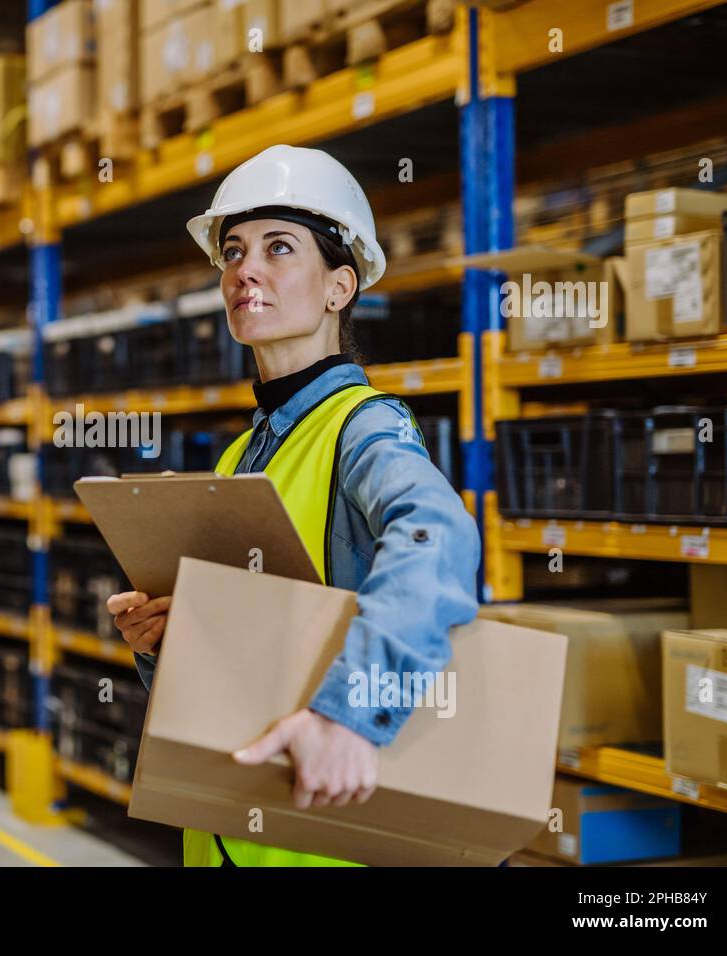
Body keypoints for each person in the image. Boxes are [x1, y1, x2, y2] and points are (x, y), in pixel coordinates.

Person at [105, 144, 480, 867]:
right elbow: (244, 649)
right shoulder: (237, 458)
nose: (246, 270)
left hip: (324, 837)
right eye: (235, 252)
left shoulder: (364, 427)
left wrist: (352, 717)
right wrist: (164, 644)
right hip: (228, 835)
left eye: (280, 249)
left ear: (340, 286)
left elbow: (440, 537)